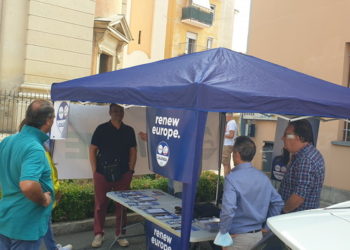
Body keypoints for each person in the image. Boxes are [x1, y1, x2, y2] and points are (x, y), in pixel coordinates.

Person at [0, 99, 54, 250]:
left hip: (5, 217)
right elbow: (28, 185)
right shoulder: (34, 147)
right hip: (25, 224)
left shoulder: (7, 141)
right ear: (49, 120)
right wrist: (44, 199)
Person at [217, 136, 284, 250]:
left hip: (237, 237)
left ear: (237, 154)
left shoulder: (232, 179)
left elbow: (228, 210)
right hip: (258, 237)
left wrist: (223, 234)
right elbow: (278, 203)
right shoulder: (263, 177)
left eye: (233, 152)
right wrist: (267, 227)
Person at [18, 119, 72, 250]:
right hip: (39, 200)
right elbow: (30, 183)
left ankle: (53, 247)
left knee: (45, 225)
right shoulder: (35, 149)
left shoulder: (38, 146)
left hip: (42, 198)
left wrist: (54, 192)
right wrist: (43, 198)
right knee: (35, 233)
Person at [89, 104, 137, 248]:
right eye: (115, 111)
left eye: (120, 111)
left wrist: (131, 170)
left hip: (123, 173)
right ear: (110, 112)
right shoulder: (101, 129)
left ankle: (120, 234)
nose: (118, 113)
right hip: (102, 173)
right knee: (100, 205)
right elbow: (92, 150)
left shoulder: (129, 130)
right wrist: (95, 171)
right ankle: (98, 234)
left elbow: (133, 151)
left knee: (121, 206)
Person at [279, 119, 325, 213]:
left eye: (287, 135)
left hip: (294, 218)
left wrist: (281, 212)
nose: (282, 138)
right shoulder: (303, 154)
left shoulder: (306, 160)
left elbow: (298, 197)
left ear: (299, 137)